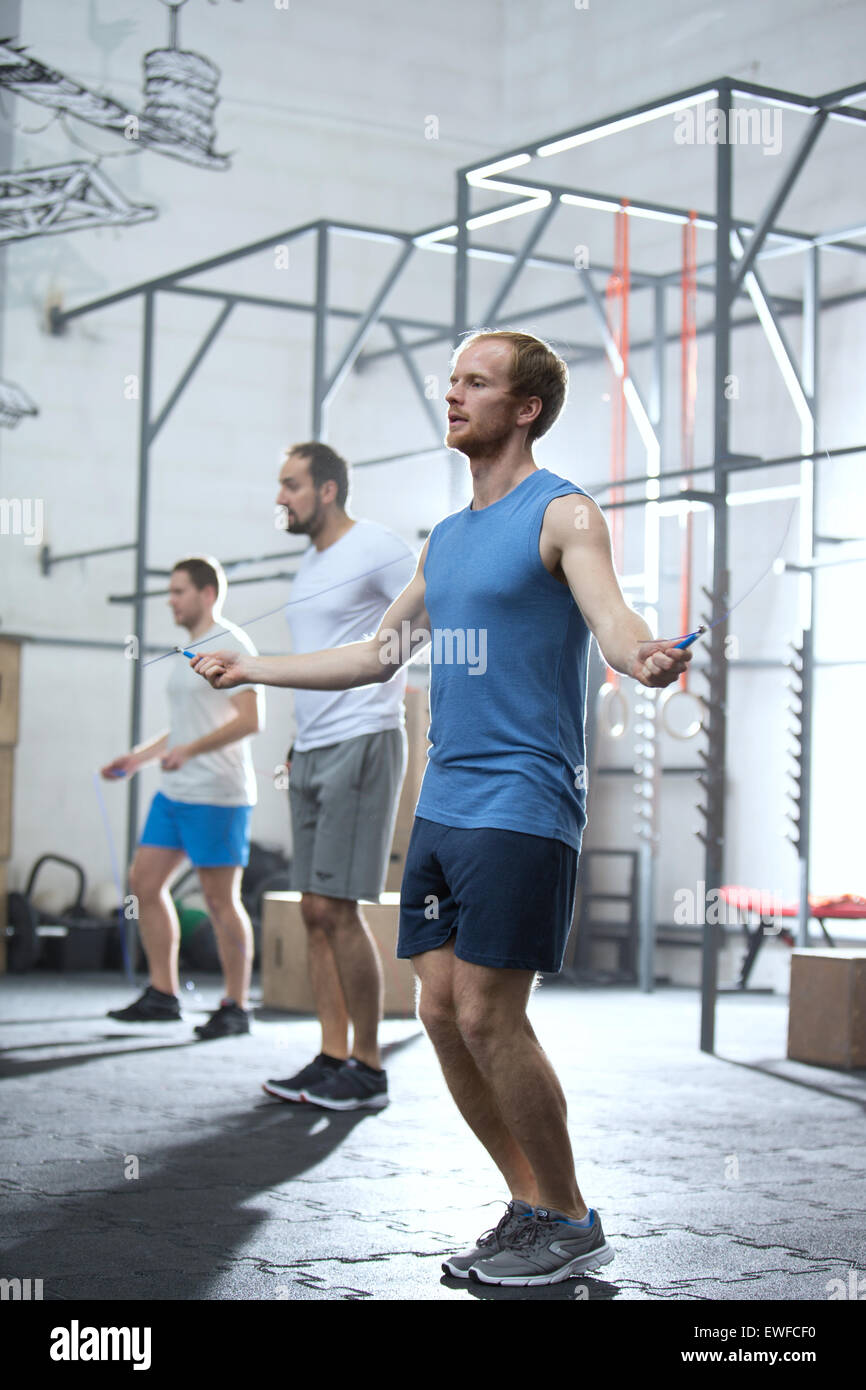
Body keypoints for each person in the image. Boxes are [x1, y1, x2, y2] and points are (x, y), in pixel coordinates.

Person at [189, 331, 693, 1285]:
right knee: (436, 1009)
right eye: (451, 380)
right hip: (447, 804)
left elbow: (613, 618)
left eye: (476, 382)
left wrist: (643, 655)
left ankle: (572, 1216)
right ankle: (532, 1202)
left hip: (524, 798)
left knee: (489, 1014)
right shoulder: (448, 538)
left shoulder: (565, 514)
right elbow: (379, 655)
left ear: (526, 407)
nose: (452, 395)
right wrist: (252, 663)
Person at [261, 442, 415, 1111]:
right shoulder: (311, 563)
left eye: (291, 485)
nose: (280, 499)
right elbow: (313, 659)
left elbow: (428, 612)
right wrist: (298, 742)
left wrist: (383, 678)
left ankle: (370, 1069)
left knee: (339, 908)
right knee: (316, 912)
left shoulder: (376, 546)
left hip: (364, 739)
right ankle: (331, 1055)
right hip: (315, 747)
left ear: (327, 490)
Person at [102, 556, 264, 1040]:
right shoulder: (189, 649)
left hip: (218, 795)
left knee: (219, 900)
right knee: (144, 883)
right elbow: (187, 725)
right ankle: (163, 994)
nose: (170, 600)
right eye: (169, 592)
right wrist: (137, 759)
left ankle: (235, 1005)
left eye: (178, 591)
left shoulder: (232, 645)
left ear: (207, 593)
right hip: (175, 793)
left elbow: (250, 720)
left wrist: (190, 751)